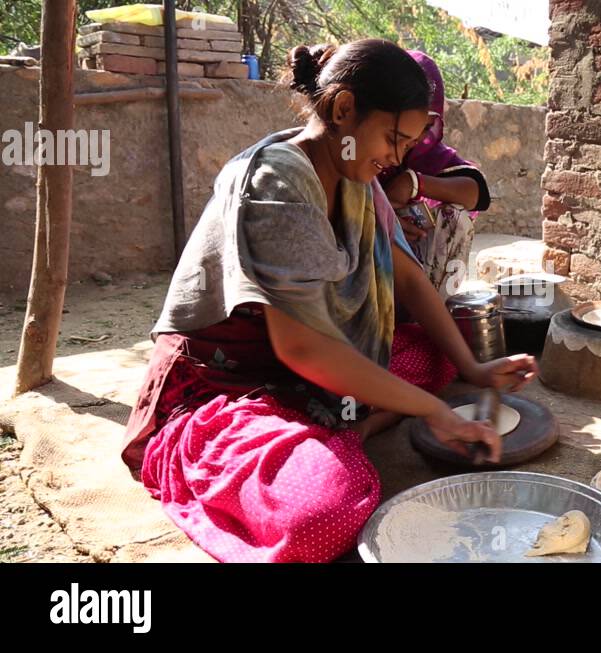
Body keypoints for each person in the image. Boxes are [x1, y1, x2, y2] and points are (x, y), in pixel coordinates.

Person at [120, 39, 537, 563]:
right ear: (343, 109)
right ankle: (325, 433)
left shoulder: (353, 172)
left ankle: (345, 421)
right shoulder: (276, 183)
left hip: (302, 368)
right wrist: (435, 411)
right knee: (328, 509)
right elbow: (303, 350)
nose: (396, 157)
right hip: (229, 383)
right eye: (392, 138)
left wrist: (473, 369)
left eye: (406, 146)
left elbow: (407, 277)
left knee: (429, 354)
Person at [378, 51, 490, 296]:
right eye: (401, 132)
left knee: (455, 217)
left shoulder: (431, 155)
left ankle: (429, 315)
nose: (415, 137)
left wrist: (413, 181)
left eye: (426, 126)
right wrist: (382, 221)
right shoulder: (361, 154)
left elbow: (476, 192)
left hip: (413, 280)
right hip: (366, 271)